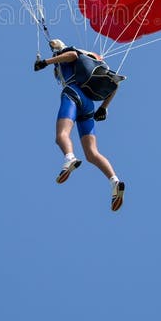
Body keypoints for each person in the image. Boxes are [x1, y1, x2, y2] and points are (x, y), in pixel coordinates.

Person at [34, 39, 125, 211]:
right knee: (92, 153)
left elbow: (72, 55)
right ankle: (115, 182)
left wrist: (46, 62)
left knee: (61, 135)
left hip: (73, 93)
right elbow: (115, 84)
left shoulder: (66, 53)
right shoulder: (95, 60)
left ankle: (70, 158)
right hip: (89, 104)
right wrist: (104, 108)